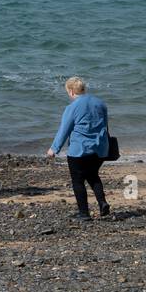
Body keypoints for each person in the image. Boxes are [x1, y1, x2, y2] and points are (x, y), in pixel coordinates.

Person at [47, 76, 111, 221]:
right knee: (93, 175)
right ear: (83, 89)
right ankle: (102, 203)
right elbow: (104, 124)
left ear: (70, 91)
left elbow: (64, 129)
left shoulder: (72, 107)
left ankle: (84, 214)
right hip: (100, 148)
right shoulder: (100, 103)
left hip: (80, 150)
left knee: (78, 180)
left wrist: (54, 149)